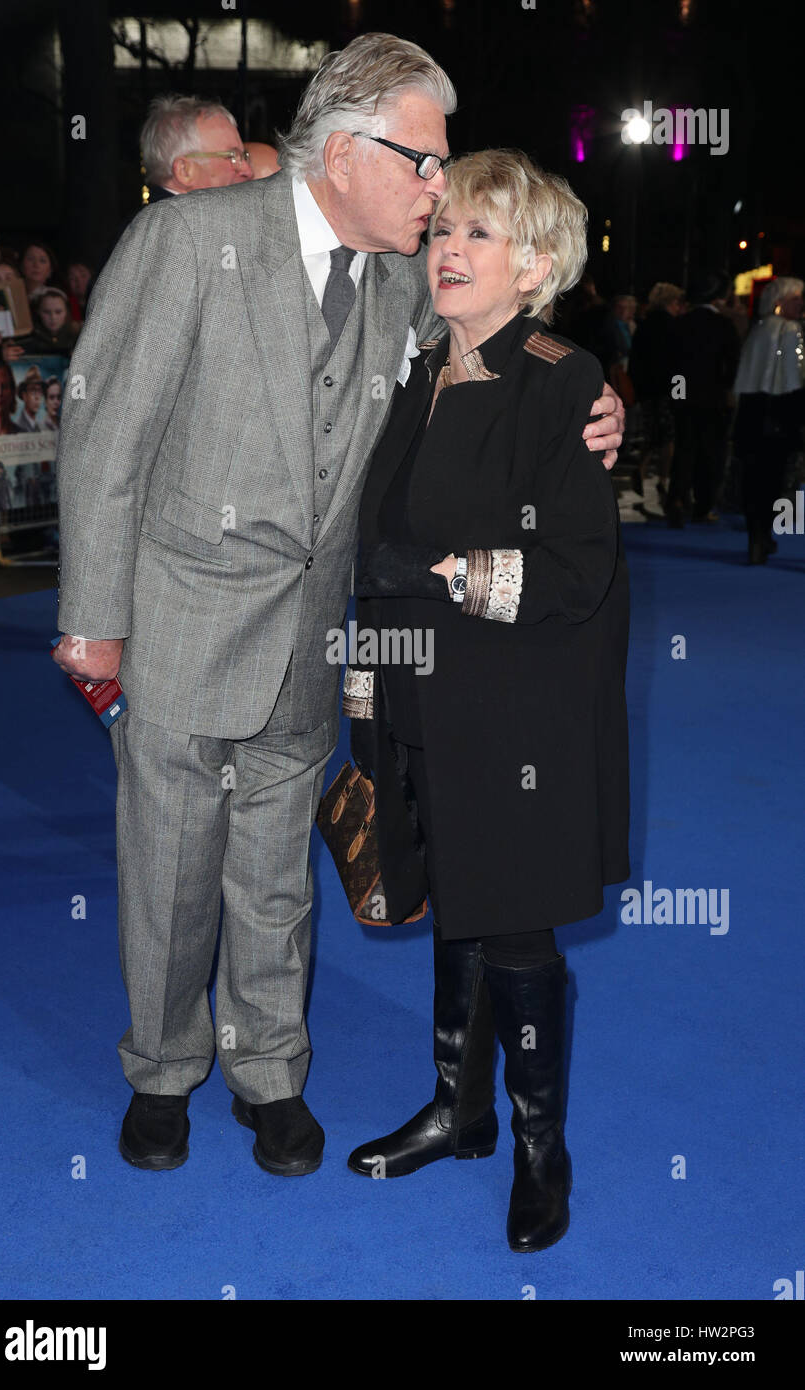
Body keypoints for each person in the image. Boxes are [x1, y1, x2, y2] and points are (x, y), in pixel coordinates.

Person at [52, 34, 624, 1180]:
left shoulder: (404, 283)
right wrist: (93, 618)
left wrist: (595, 401)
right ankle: (161, 1071)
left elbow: (498, 342)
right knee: (167, 867)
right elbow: (103, 436)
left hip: (314, 641)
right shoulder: (186, 240)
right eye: (422, 164)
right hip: (176, 617)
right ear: (347, 149)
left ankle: (271, 1074)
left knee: (274, 871)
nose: (435, 192)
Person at [344, 148, 629, 1253]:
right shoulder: (422, 368)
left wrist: (438, 575)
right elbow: (376, 546)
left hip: (518, 709)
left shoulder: (560, 377)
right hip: (419, 688)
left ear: (536, 265)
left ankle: (537, 1153)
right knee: (451, 896)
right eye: (443, 230)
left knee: (511, 921)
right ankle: (457, 1111)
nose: (448, 249)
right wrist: (369, 698)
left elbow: (574, 570)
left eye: (478, 234)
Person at [733, 276, 805, 564]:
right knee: (773, 479)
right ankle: (763, 536)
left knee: (754, 479)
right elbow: (795, 381)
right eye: (796, 298)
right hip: (780, 415)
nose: (801, 304)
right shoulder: (791, 331)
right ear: (780, 301)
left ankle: (757, 536)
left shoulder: (759, 330)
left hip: (752, 413)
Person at [667, 270, 740, 526]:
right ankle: (703, 504)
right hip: (712, 397)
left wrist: (676, 395)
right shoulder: (724, 326)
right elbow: (731, 365)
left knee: (685, 448)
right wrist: (727, 391)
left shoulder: (680, 323)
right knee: (711, 453)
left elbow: (671, 363)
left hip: (684, 395)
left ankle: (677, 498)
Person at [629, 282, 685, 503]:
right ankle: (663, 479)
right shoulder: (673, 326)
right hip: (666, 389)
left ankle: (641, 470)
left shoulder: (644, 325)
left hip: (646, 389)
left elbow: (636, 360)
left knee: (651, 434)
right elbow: (678, 363)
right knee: (668, 437)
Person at [139, 95, 254, 200]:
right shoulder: (172, 221)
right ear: (184, 170)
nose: (248, 171)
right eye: (232, 156)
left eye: (244, 156)